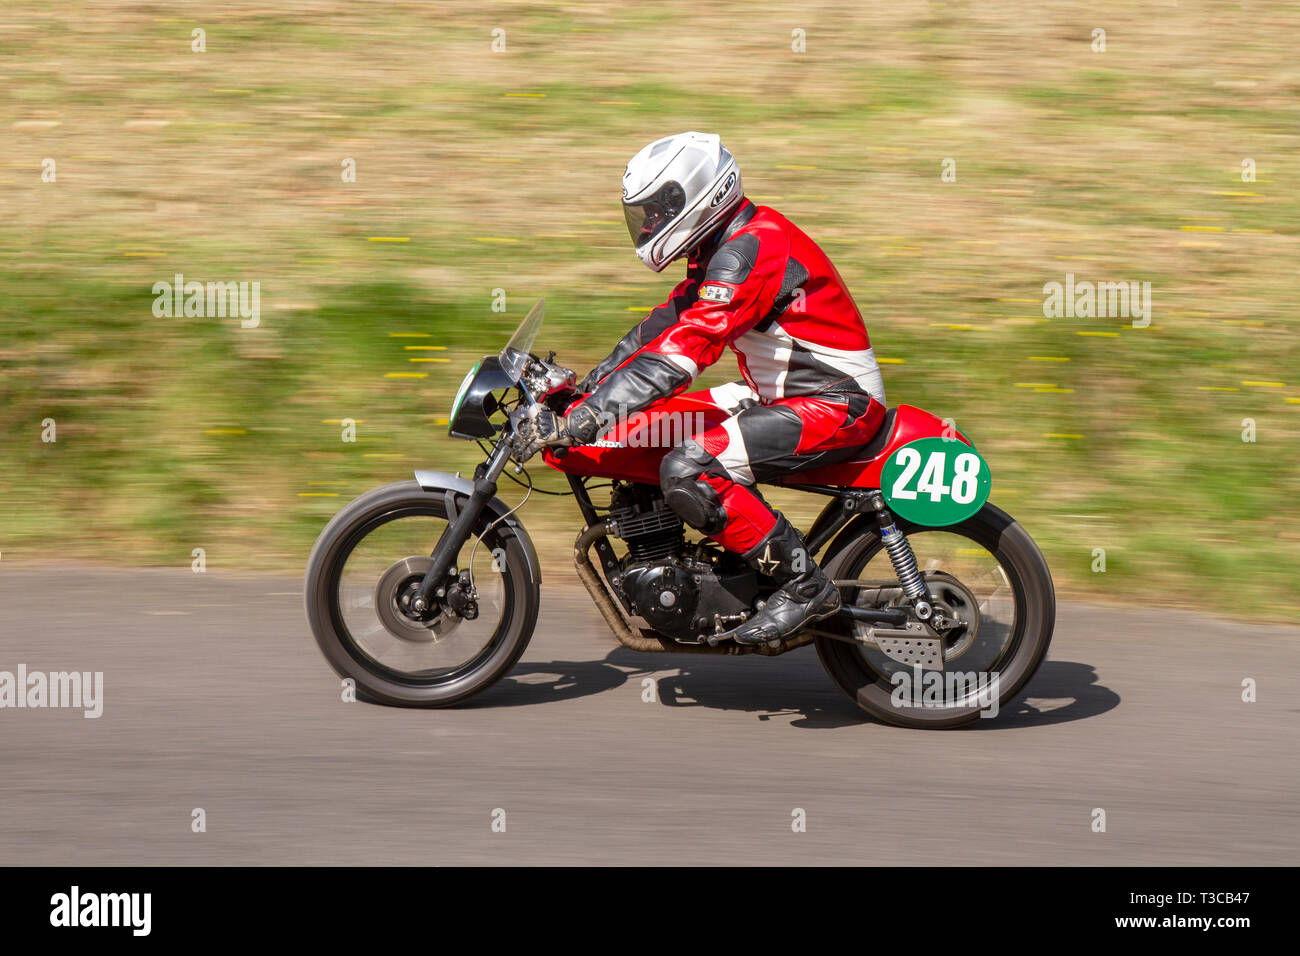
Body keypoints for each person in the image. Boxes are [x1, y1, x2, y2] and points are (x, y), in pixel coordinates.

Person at [516, 131, 887, 646]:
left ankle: (804, 586)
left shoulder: (748, 250)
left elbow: (687, 349)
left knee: (689, 464)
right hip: (782, 392)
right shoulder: (725, 244)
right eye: (642, 213)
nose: (647, 225)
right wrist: (585, 393)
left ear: (697, 195)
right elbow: (659, 329)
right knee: (646, 430)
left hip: (831, 402)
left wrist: (586, 417)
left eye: (657, 209)